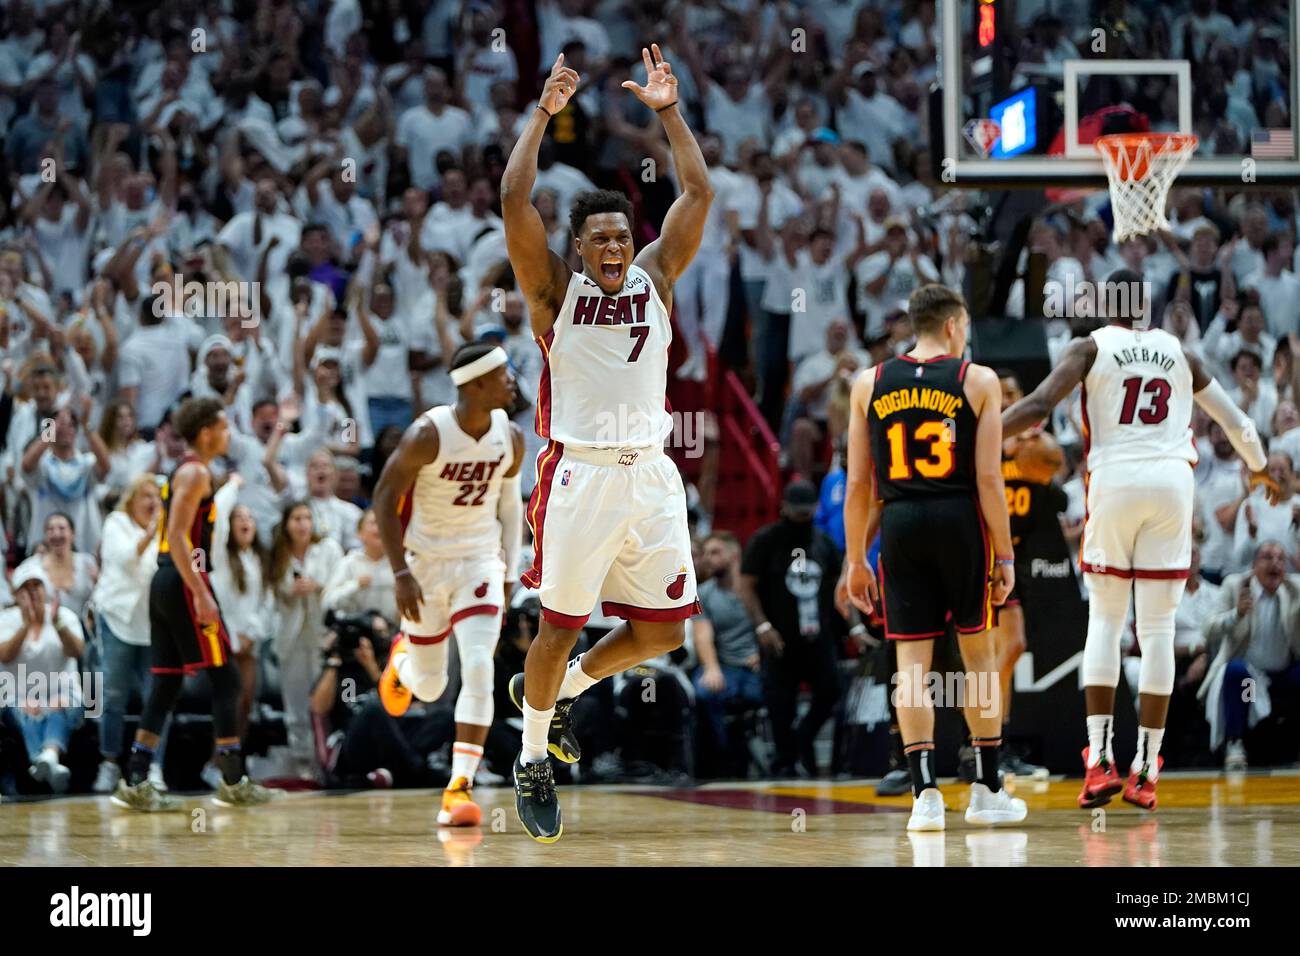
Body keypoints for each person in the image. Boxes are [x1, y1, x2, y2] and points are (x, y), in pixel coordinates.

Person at [499, 46, 711, 842]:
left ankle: (563, 696)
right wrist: (543, 115)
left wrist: (668, 111)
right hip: (579, 474)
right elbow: (514, 198)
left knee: (662, 632)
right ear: (581, 248)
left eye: (625, 235)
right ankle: (530, 760)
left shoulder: (658, 278)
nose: (618, 247)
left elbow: (697, 191)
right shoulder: (554, 293)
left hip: (652, 476)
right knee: (557, 626)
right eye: (602, 239)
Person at [1003, 269, 1277, 812]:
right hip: (1172, 484)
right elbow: (1239, 423)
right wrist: (1261, 469)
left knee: (1105, 621)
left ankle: (1100, 761)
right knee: (1156, 630)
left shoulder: (1090, 346)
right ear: (1147, 310)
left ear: (1109, 307)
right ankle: (1147, 769)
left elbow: (1036, 406)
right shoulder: (1180, 352)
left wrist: (979, 433)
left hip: (1115, 479)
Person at [843, 282, 1026, 831]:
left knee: (911, 668)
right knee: (979, 662)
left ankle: (924, 795)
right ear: (952, 326)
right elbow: (990, 478)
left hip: (899, 522)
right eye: (966, 326)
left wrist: (856, 559)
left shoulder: (868, 382)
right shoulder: (978, 380)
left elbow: (858, 482)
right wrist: (1007, 555)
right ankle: (987, 787)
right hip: (959, 519)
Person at [373, 342, 523, 826]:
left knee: (480, 667)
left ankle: (459, 787)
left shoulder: (512, 436)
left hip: (478, 561)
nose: (513, 380)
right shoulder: (427, 434)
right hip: (425, 565)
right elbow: (383, 497)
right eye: (503, 375)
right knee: (432, 686)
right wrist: (399, 573)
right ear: (476, 384)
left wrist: (509, 571)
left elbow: (510, 507)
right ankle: (401, 661)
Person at [113, 397, 277, 811]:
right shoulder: (196, 471)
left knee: (166, 682)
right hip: (184, 580)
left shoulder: (187, 470)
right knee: (226, 680)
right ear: (205, 432)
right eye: (223, 427)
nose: (228, 435)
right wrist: (202, 593)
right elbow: (181, 534)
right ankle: (233, 779)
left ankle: (135, 777)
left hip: (167, 580)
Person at [739, 481, 843, 777]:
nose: (802, 518)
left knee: (831, 691)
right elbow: (746, 586)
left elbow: (838, 584)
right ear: (784, 507)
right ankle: (784, 762)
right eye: (797, 513)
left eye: (807, 513)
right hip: (778, 637)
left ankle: (804, 734)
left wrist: (851, 627)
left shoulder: (823, 541)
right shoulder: (765, 540)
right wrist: (762, 625)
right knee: (779, 702)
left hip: (817, 635)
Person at [89, 475, 165, 794]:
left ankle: (152, 765)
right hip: (117, 618)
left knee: (157, 698)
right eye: (145, 496)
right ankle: (109, 763)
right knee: (113, 696)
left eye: (156, 498)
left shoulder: (167, 531)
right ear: (131, 500)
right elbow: (125, 558)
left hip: (153, 623)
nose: (152, 503)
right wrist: (151, 532)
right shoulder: (116, 523)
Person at [1200, 541, 1300, 771]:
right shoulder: (1235, 585)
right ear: (1254, 565)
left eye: (1280, 559)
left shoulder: (1294, 589)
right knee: (1236, 672)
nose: (1275, 563)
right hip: (1251, 683)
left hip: (1282, 680)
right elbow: (1208, 628)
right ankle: (1235, 743)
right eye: (1267, 557)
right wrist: (1236, 614)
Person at [269, 500, 344, 780]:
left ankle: (330, 757)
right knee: (296, 703)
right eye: (296, 518)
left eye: (306, 518)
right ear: (286, 524)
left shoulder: (329, 549)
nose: (302, 524)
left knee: (325, 702)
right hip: (290, 636)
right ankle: (303, 760)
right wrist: (290, 590)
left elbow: (340, 586)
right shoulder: (278, 555)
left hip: (322, 635)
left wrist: (318, 586)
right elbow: (270, 594)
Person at [0, 565, 85, 794]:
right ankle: (50, 761)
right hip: (18, 696)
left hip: (64, 694)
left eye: (36, 586)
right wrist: (26, 625)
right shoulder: (5, 619)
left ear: (44, 589)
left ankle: (43, 758)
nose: (32, 592)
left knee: (59, 705)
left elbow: (77, 650)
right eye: (25, 588)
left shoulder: (63, 615)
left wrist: (58, 625)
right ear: (16, 594)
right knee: (26, 709)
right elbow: (5, 655)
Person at [693, 531, 762, 766]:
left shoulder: (755, 587)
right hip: (726, 667)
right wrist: (711, 668)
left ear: (734, 555)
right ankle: (722, 758)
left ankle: (782, 759)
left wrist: (764, 657)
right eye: (705, 554)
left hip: (757, 667)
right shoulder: (704, 593)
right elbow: (702, 635)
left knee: (779, 691)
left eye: (715, 552)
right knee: (703, 693)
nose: (707, 559)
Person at [15, 512, 99, 618]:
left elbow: (100, 596)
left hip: (85, 628)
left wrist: (98, 581)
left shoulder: (87, 562)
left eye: (62, 528)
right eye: (50, 529)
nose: (56, 534)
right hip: (47, 628)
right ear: (45, 536)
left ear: (73, 534)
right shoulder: (31, 566)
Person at [322, 510, 398, 624]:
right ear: (360, 533)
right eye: (374, 523)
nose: (380, 527)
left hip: (395, 634)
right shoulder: (348, 563)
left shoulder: (400, 563)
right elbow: (328, 602)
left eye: (384, 523)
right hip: (357, 633)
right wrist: (355, 585)